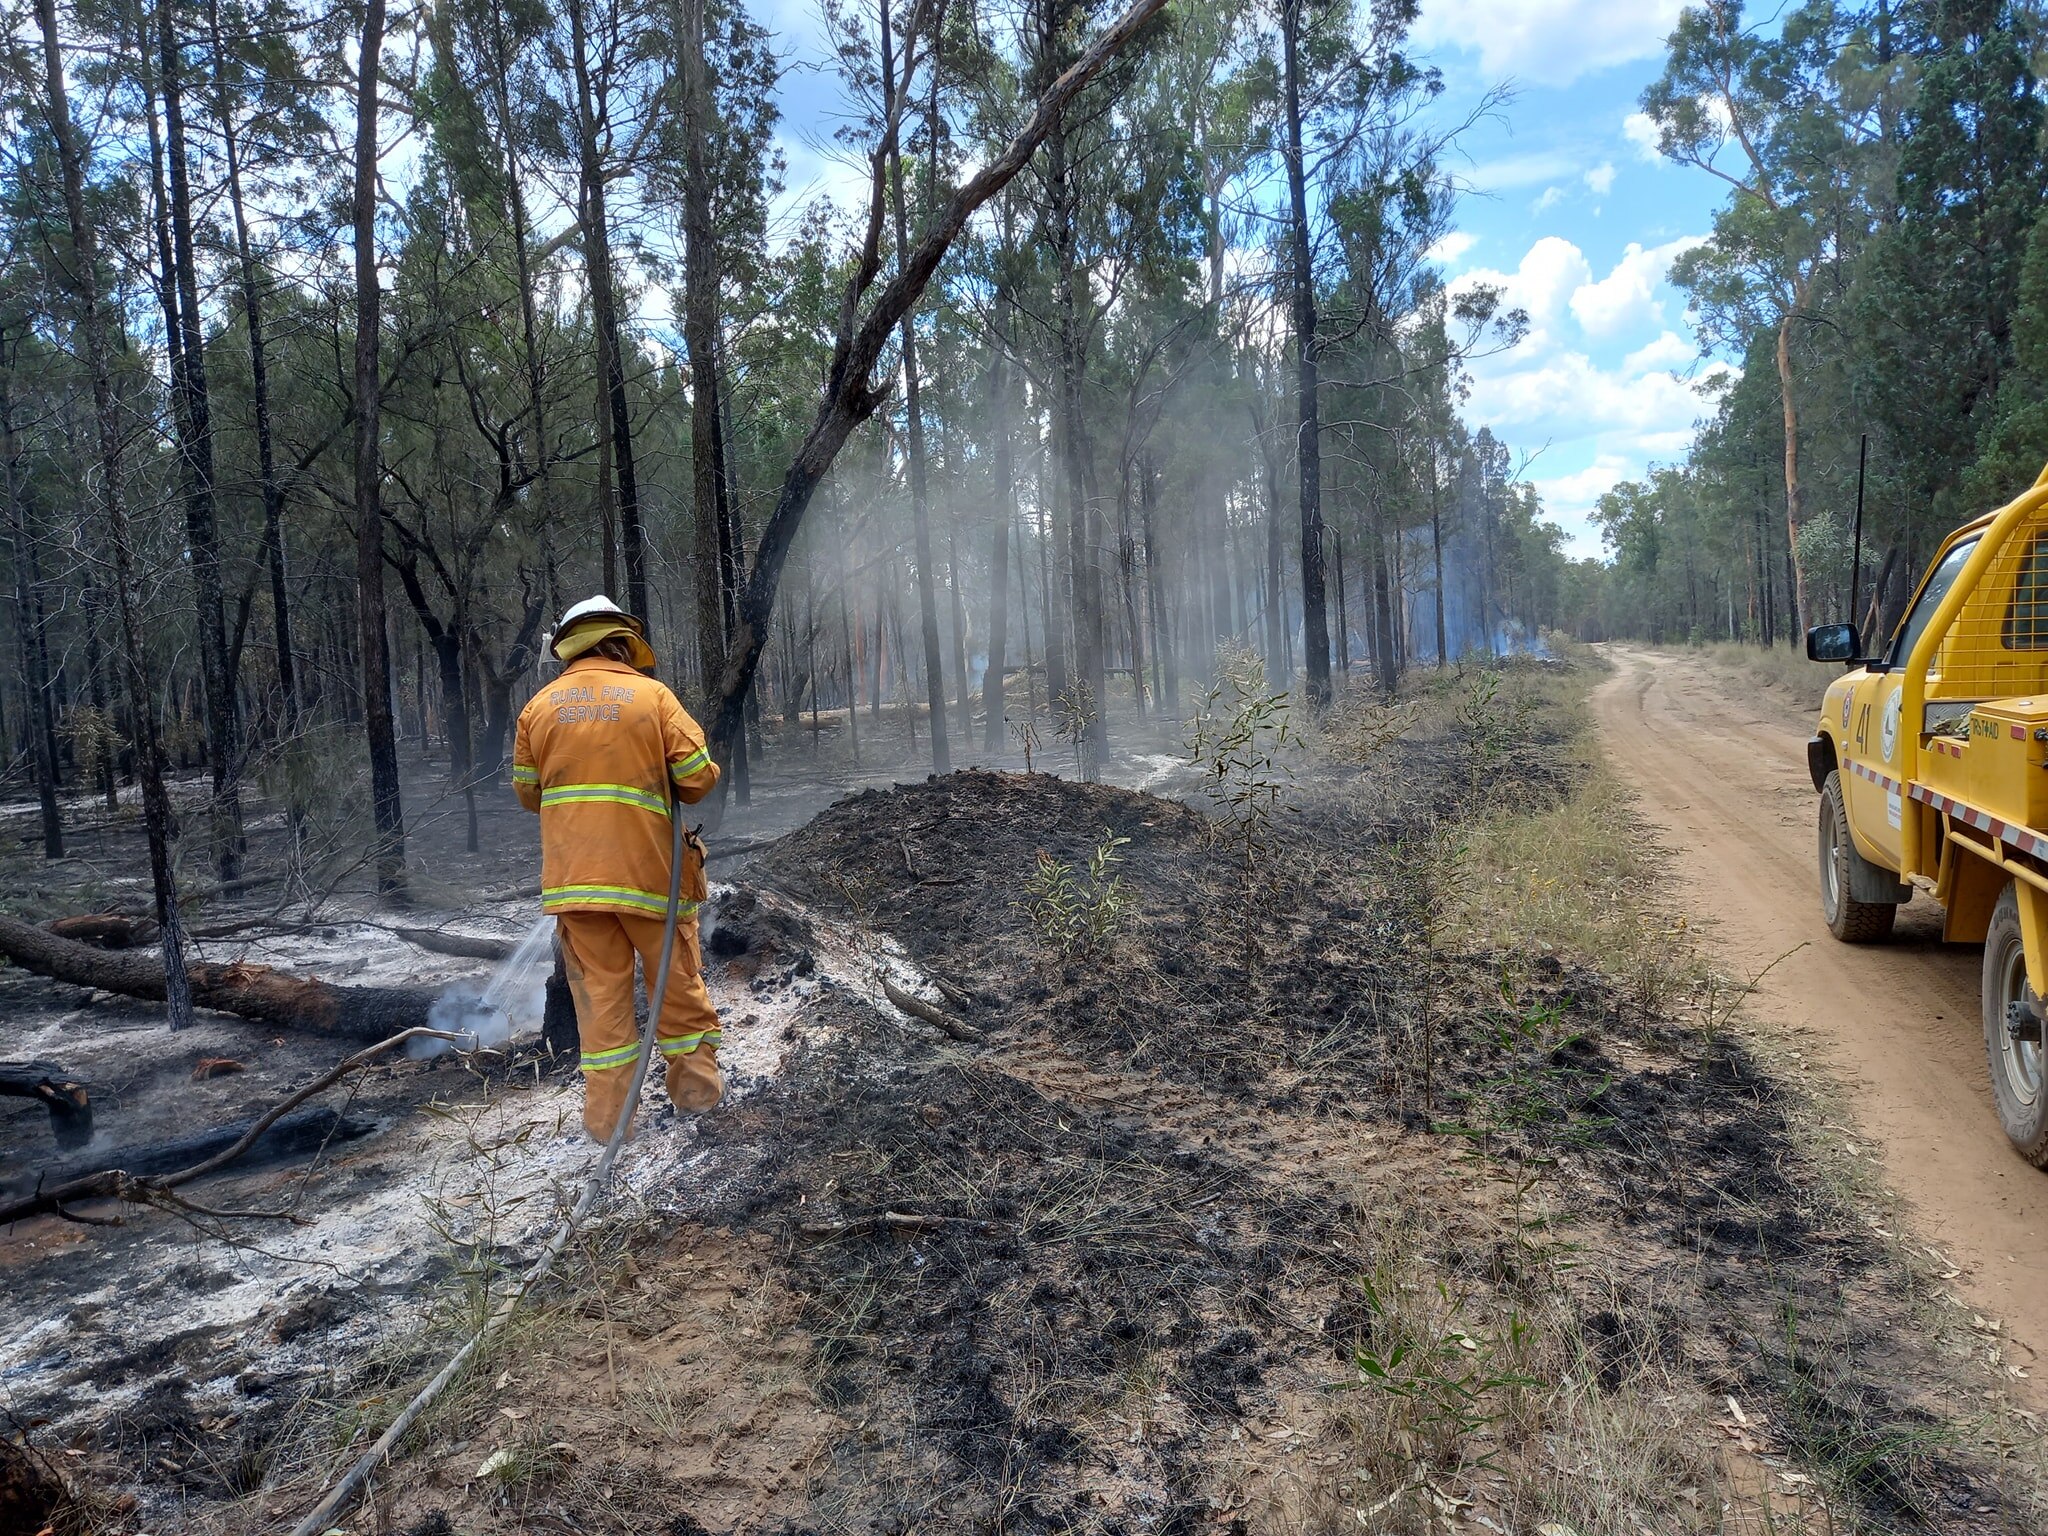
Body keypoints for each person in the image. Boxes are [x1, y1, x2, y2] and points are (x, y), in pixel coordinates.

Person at [511, 597, 723, 1141]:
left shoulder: (537, 709)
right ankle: (698, 1103)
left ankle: (610, 1128)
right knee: (676, 990)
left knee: (602, 1011)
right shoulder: (653, 697)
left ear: (569, 647)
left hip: (576, 889)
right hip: (651, 883)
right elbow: (698, 778)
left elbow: (528, 795)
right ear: (622, 643)